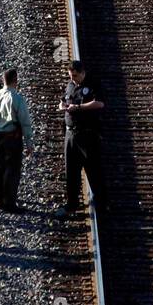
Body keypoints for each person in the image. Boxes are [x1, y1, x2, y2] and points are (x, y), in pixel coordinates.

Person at [60, 60, 106, 215]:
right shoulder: (70, 85)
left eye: (75, 75)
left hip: (87, 135)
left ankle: (102, 204)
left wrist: (79, 107)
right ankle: (72, 203)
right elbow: (63, 99)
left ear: (82, 72)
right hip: (71, 134)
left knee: (94, 170)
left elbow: (99, 103)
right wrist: (63, 106)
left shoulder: (93, 83)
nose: (73, 79)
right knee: (71, 171)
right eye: (70, 76)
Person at [0, 68, 34, 213]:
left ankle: (0, 201)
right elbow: (25, 122)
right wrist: (29, 143)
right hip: (11, 138)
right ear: (16, 80)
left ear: (3, 80)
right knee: (12, 170)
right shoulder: (17, 98)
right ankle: (10, 203)